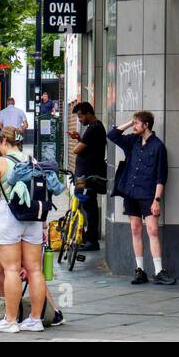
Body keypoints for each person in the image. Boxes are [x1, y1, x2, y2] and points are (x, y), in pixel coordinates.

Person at [0, 126, 49, 333]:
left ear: (3, 142)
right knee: (35, 270)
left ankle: (11, 320)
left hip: (8, 217)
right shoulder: (32, 160)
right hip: (32, 218)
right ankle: (35, 319)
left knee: (11, 269)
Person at [108, 111, 175, 285]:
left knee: (152, 230)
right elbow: (112, 134)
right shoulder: (132, 141)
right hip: (131, 193)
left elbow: (161, 176)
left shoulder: (158, 146)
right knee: (135, 229)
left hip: (148, 195)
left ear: (146, 125)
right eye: (134, 123)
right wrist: (130, 123)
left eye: (137, 123)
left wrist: (157, 200)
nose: (134, 125)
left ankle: (159, 271)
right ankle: (140, 270)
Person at [67, 100, 106, 251]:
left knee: (89, 207)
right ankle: (86, 237)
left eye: (80, 117)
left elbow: (77, 150)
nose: (79, 120)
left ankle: (91, 240)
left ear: (88, 114)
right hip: (86, 174)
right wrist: (79, 139)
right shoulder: (94, 128)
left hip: (88, 176)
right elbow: (87, 146)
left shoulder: (94, 128)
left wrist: (78, 144)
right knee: (85, 206)